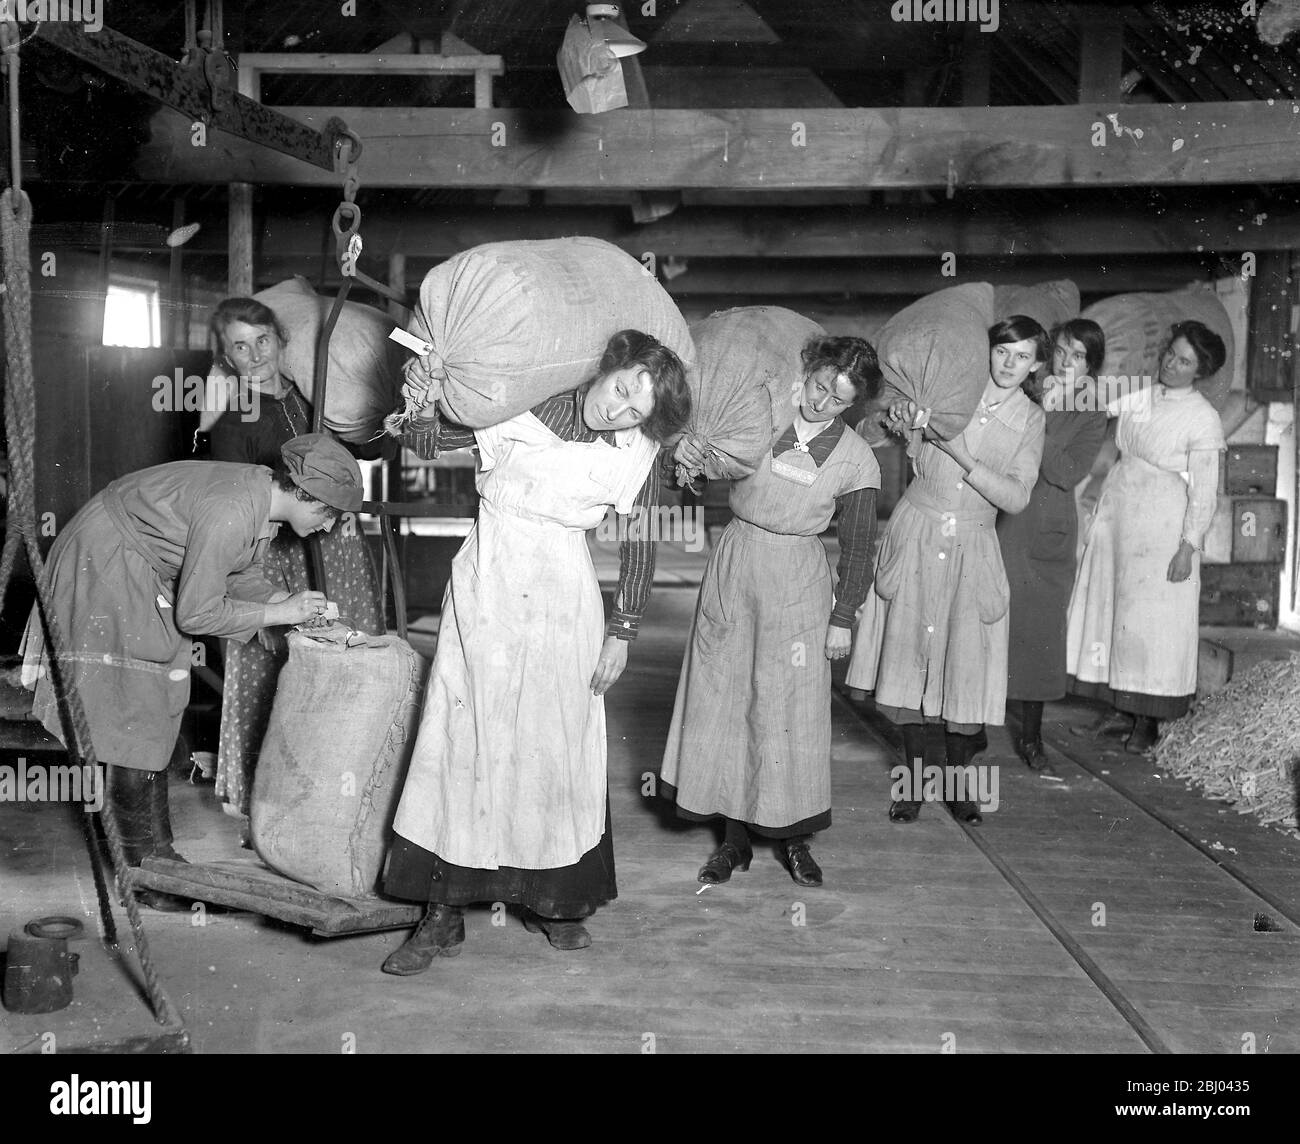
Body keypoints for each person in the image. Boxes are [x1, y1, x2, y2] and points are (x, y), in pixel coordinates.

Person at [380, 330, 691, 974]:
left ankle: (556, 901)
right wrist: (421, 397)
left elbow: (640, 541)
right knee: (463, 730)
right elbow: (431, 440)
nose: (620, 409)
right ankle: (439, 913)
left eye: (637, 409)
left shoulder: (639, 451)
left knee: (556, 734)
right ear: (608, 367)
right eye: (623, 387)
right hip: (490, 571)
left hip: (562, 590)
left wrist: (623, 629)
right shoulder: (522, 402)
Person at [20, 434, 361, 908]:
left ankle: (161, 858)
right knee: (133, 720)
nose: (326, 528)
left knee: (156, 710)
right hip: (106, 562)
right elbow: (196, 616)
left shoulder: (261, 497)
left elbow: (237, 575)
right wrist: (275, 616)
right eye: (328, 514)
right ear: (305, 494)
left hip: (135, 563)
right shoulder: (233, 509)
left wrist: (283, 603)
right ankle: (143, 876)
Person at [658, 336, 883, 888]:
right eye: (819, 386)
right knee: (727, 697)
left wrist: (843, 615)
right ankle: (733, 841)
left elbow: (857, 548)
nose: (821, 402)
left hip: (798, 582)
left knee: (789, 708)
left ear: (853, 406)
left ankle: (794, 838)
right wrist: (684, 460)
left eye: (837, 400)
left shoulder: (857, 459)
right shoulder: (756, 419)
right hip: (736, 563)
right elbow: (689, 480)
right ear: (806, 372)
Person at [846, 316, 1047, 824]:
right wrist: (898, 414)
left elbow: (1018, 497)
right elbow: (867, 433)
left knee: (961, 670)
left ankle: (958, 787)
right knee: (910, 666)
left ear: (1036, 366)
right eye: (1003, 350)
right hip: (916, 532)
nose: (1009, 363)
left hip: (974, 543)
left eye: (1022, 356)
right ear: (987, 351)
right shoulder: (950, 393)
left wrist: (961, 455)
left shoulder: (1029, 419)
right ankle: (913, 786)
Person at [205, 297, 384, 824]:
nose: (254, 353)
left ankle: (347, 782)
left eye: (263, 340)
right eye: (240, 345)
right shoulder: (235, 421)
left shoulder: (318, 399)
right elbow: (238, 503)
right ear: (227, 355)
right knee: (270, 667)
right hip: (278, 556)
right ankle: (267, 796)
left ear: (281, 342)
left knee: (349, 656)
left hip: (338, 548)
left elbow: (371, 451)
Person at [1065, 320, 1227, 754]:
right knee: (1115, 613)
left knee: (1152, 624)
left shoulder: (1202, 417)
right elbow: (1098, 410)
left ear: (1200, 370)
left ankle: (1148, 723)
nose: (1172, 365)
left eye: (1185, 361)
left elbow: (1205, 491)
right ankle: (1119, 710)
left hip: (1161, 526)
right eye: (1170, 354)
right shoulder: (1143, 395)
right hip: (1120, 516)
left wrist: (1188, 547)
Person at [996, 319, 1108, 771]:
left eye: (1078, 355)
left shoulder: (1091, 410)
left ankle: (1031, 737)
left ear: (1091, 365)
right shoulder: (1023, 388)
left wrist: (1034, 423)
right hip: (1004, 518)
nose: (1066, 361)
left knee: (1038, 636)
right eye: (1061, 350)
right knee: (992, 622)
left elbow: (1065, 472)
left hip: (1047, 527)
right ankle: (972, 730)